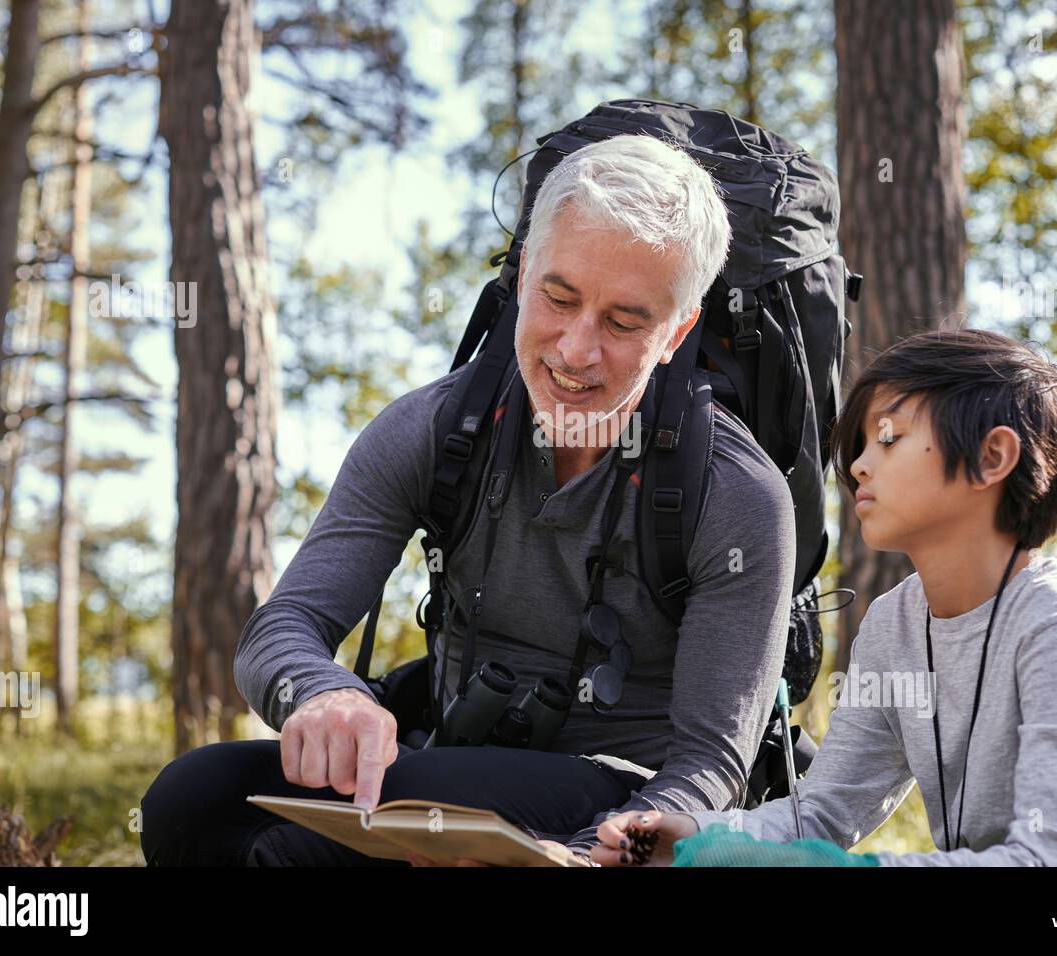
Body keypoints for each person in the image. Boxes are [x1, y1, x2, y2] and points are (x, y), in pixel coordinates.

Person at [139, 133, 800, 866]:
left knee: (302, 847)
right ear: (520, 279)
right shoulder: (434, 429)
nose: (576, 351)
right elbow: (283, 626)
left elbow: (711, 764)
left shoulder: (736, 494)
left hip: (618, 797)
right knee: (190, 799)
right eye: (559, 296)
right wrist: (325, 694)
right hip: (448, 759)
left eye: (623, 321)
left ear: (676, 330)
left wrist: (587, 855)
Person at [591, 329, 1057, 867]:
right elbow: (823, 813)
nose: (859, 465)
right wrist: (694, 834)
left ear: (993, 456)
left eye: (887, 439)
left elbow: (1055, 863)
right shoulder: (893, 625)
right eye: (859, 445)